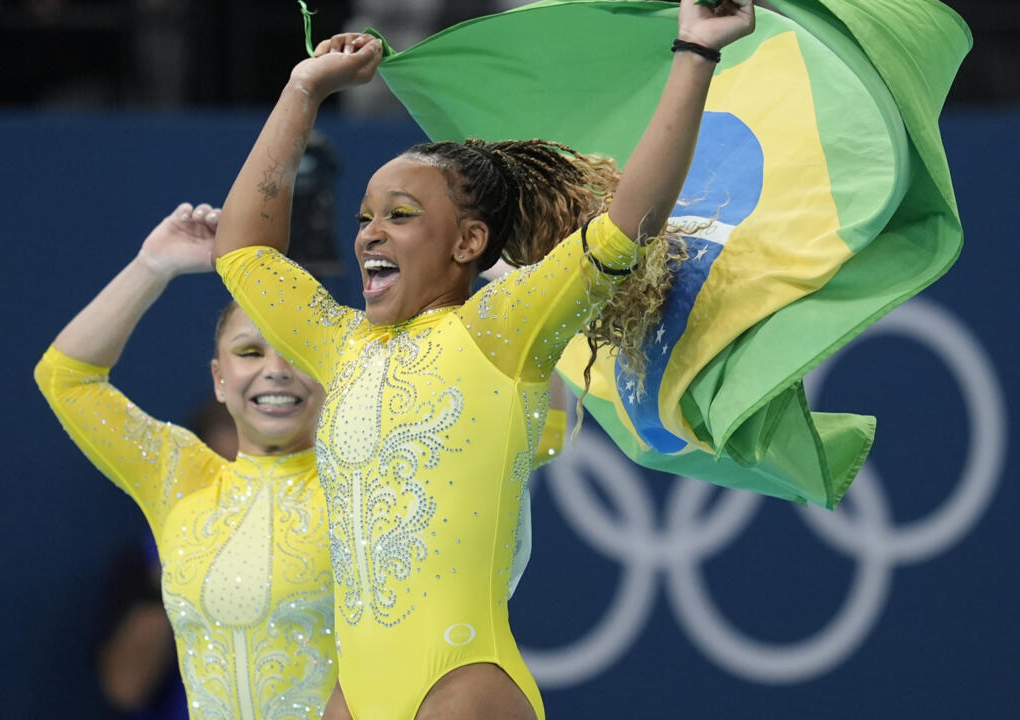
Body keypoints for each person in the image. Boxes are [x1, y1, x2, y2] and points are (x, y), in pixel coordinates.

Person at [212, 2, 756, 717]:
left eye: (400, 215)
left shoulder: (500, 331)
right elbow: (242, 253)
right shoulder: (338, 344)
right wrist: (302, 90)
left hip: (461, 687)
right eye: (365, 217)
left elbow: (627, 226)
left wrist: (696, 50)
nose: (370, 233)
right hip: (354, 696)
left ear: (468, 243)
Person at [34, 203, 336, 719]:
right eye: (250, 352)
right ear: (219, 380)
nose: (275, 370)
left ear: (333, 371)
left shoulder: (373, 480)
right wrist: (153, 265)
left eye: (297, 350)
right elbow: (67, 377)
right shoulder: (182, 476)